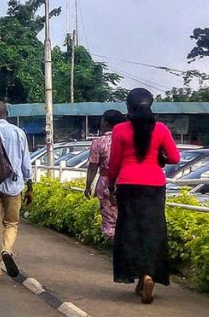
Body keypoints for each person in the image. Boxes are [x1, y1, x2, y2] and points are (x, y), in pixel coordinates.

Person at [108, 88, 180, 304]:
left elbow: (114, 163)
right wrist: (160, 158)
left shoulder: (120, 130)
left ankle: (140, 276)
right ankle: (149, 275)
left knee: (130, 232)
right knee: (153, 232)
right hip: (155, 186)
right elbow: (175, 157)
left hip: (128, 186)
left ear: (128, 108)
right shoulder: (161, 129)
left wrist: (111, 186)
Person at [0, 101, 32, 283]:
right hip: (14, 185)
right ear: (7, 113)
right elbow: (26, 162)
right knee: (11, 223)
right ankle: (7, 250)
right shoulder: (18, 132)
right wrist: (30, 186)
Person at [84, 109, 127, 242]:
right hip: (127, 182)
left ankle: (118, 250)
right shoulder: (127, 139)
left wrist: (88, 186)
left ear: (107, 122)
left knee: (109, 223)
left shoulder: (99, 142)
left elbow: (93, 167)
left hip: (106, 184)